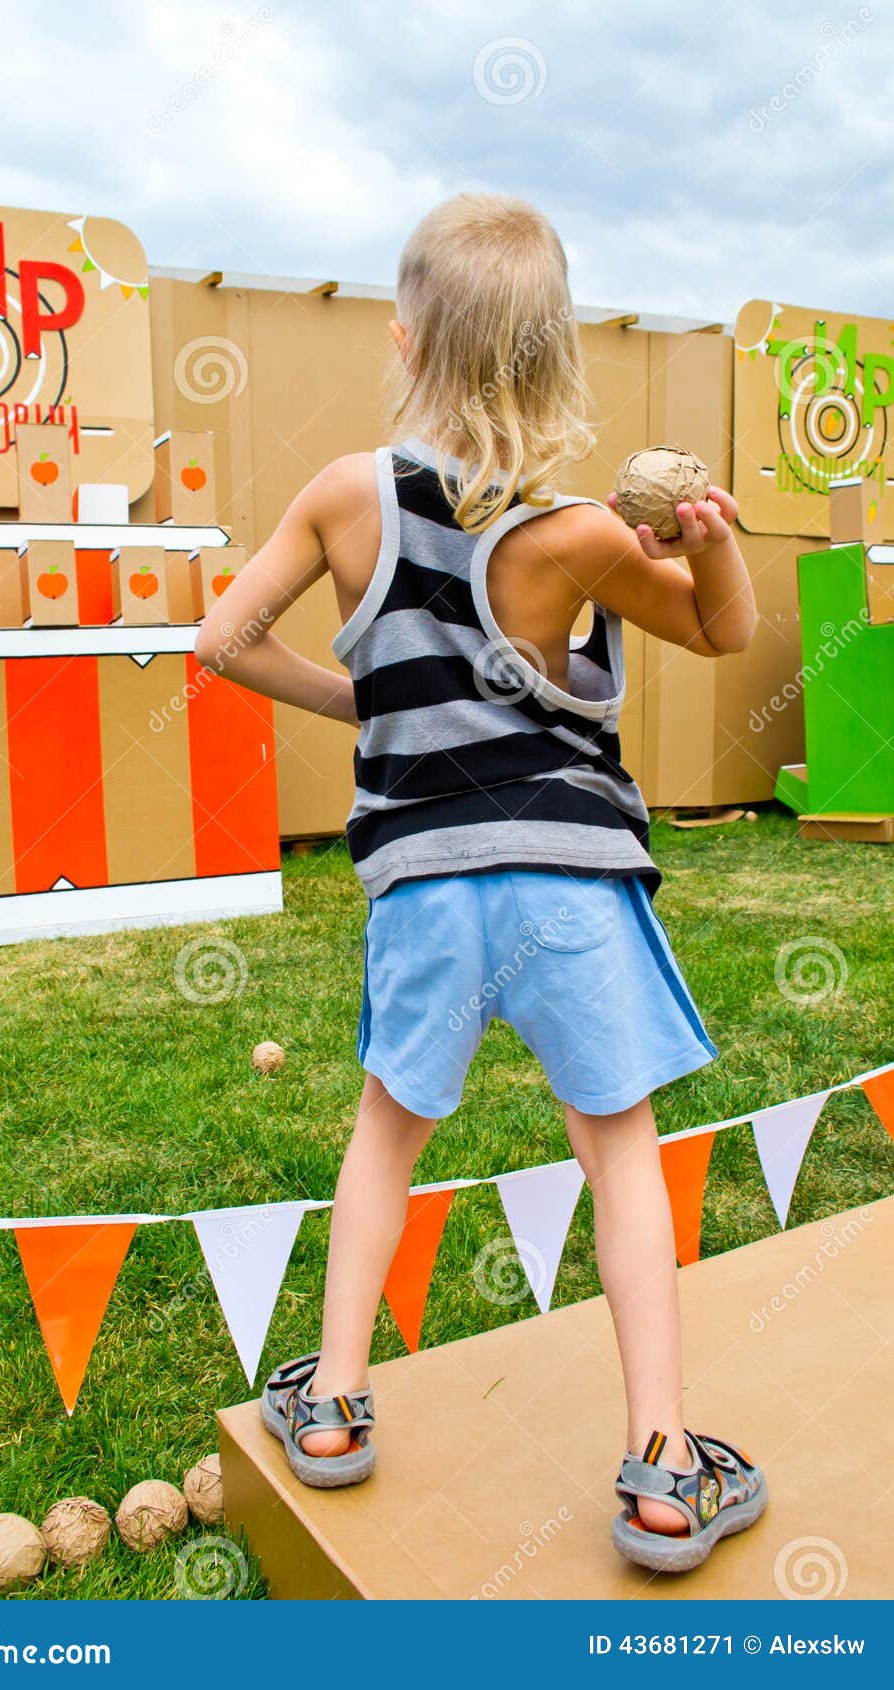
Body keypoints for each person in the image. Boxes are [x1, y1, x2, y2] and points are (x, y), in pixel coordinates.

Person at [195, 192, 766, 1572]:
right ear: (553, 354)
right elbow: (725, 629)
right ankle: (664, 1471)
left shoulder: (343, 493)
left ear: (401, 338)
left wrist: (369, 706)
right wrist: (715, 536)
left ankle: (329, 1407)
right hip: (568, 877)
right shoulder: (572, 533)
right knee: (617, 1148)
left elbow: (222, 638)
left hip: (431, 886)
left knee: (387, 1131)